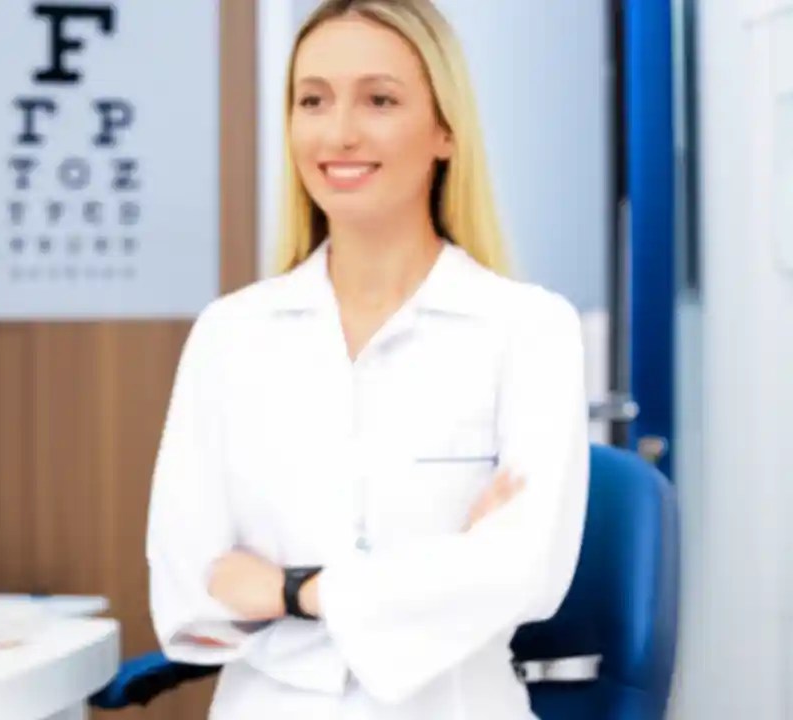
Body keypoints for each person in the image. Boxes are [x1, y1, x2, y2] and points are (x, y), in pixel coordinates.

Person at [146, 0, 589, 716]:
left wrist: (294, 590)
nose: (339, 132)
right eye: (313, 100)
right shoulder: (231, 334)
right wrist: (447, 568)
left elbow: (525, 573)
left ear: (446, 130)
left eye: (379, 100)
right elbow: (191, 587)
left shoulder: (529, 329)